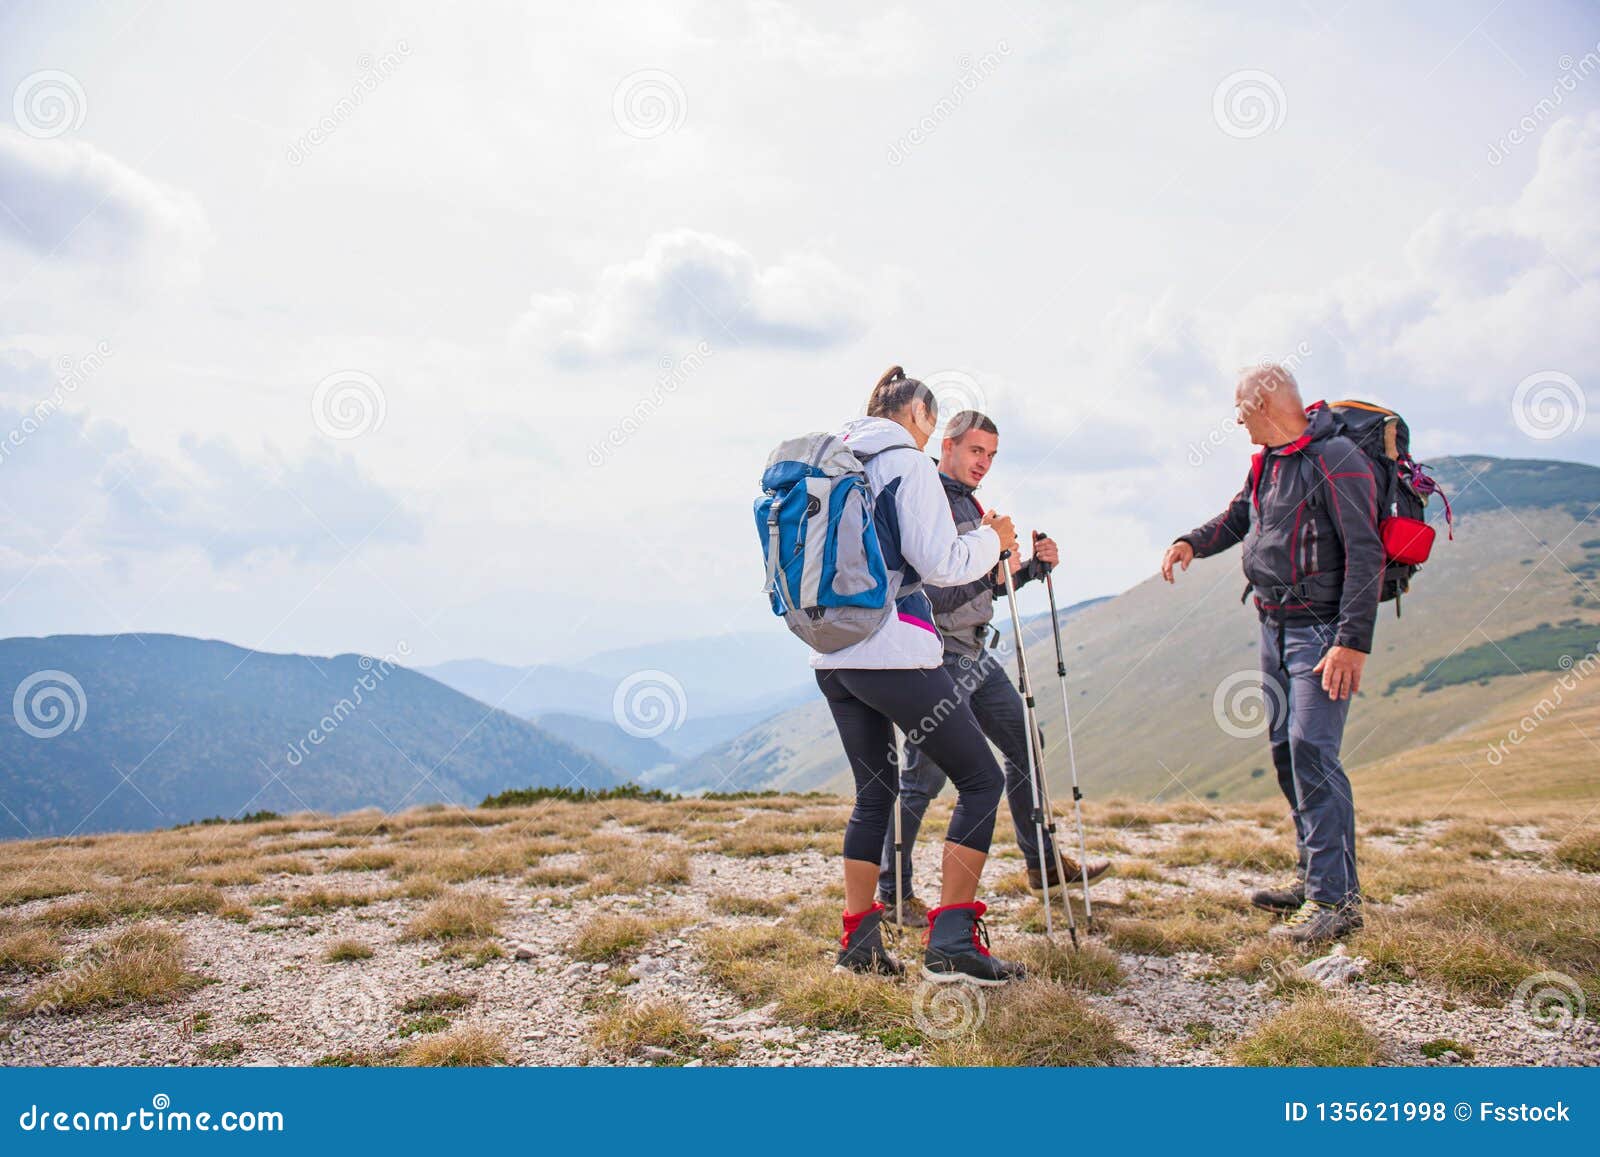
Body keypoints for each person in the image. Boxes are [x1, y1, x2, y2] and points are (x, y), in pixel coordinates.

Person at [815, 367, 1025, 984]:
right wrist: (993, 541)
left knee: (874, 793)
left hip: (830, 654)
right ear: (920, 419)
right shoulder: (905, 464)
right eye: (930, 428)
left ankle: (859, 943)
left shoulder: (836, 461)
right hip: (893, 649)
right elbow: (940, 564)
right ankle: (954, 941)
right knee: (982, 778)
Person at [1160, 364, 1382, 944]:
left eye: (1239, 407)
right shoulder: (1267, 462)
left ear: (1263, 402)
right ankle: (1315, 879)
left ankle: (1335, 902)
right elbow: (1239, 518)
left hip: (1322, 631)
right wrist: (1191, 541)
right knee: (1287, 750)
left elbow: (1366, 551)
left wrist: (1351, 641)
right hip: (1273, 627)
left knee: (1314, 747)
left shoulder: (1337, 460)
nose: (1235, 419)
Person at [877, 409, 1111, 927]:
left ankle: (1043, 865)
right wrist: (995, 552)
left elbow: (984, 584)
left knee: (1026, 744)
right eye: (976, 451)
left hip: (977, 654)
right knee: (924, 777)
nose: (984, 463)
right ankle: (892, 894)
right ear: (949, 445)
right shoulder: (929, 499)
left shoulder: (968, 501)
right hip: (939, 656)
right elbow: (935, 592)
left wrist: (1027, 568)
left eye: (991, 455)